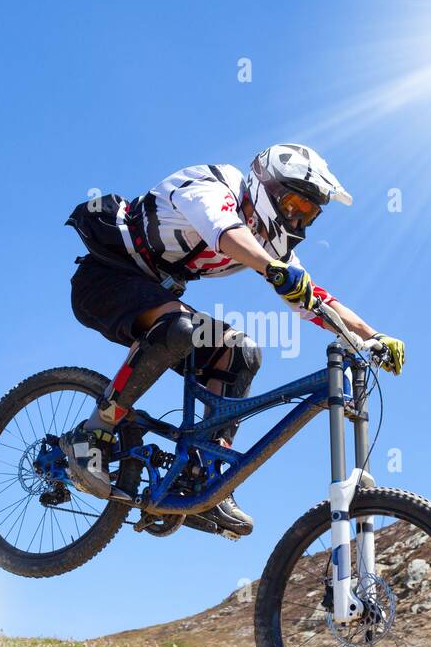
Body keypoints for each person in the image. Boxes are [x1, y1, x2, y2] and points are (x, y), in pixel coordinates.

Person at [63, 143, 405, 535]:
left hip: (152, 295)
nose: (296, 220)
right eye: (294, 204)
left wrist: (371, 335)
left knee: (241, 351)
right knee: (179, 329)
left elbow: (315, 301)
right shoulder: (213, 186)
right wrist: (273, 270)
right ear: (267, 187)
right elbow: (223, 231)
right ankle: (92, 434)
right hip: (103, 281)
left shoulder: (273, 247)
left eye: (308, 213)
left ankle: (200, 475)